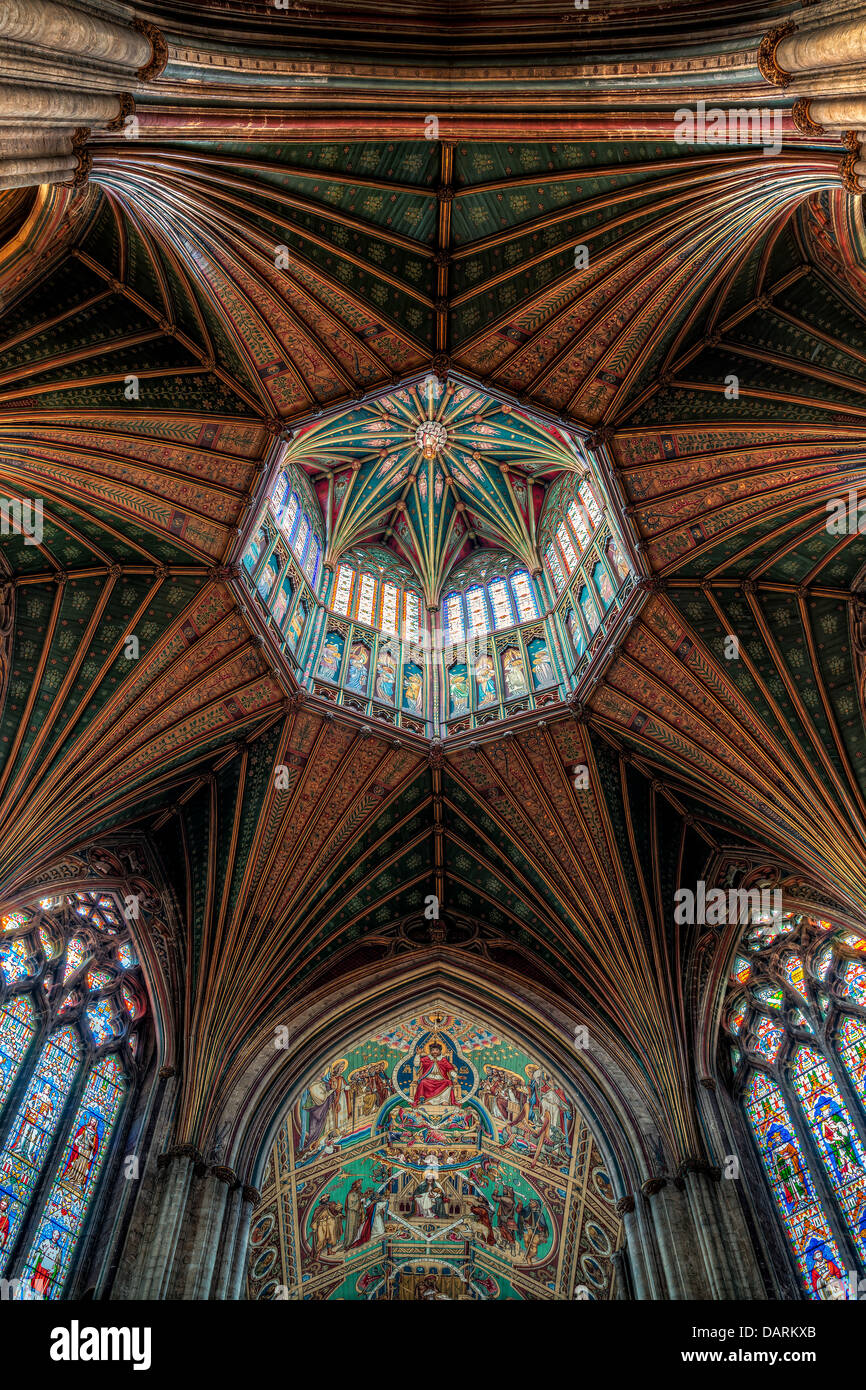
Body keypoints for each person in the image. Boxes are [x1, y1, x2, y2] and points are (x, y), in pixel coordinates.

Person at [411, 1040, 460, 1106]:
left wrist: (456, 1076)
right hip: (429, 1079)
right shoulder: (426, 1059)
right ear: (430, 1051)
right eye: (433, 1050)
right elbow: (416, 1064)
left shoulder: (443, 1060)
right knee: (423, 1082)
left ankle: (444, 1100)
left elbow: (450, 1070)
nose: (435, 1052)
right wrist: (417, 1054)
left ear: (440, 1051)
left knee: (448, 1082)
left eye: (436, 1050)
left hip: (441, 1080)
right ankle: (429, 1101)